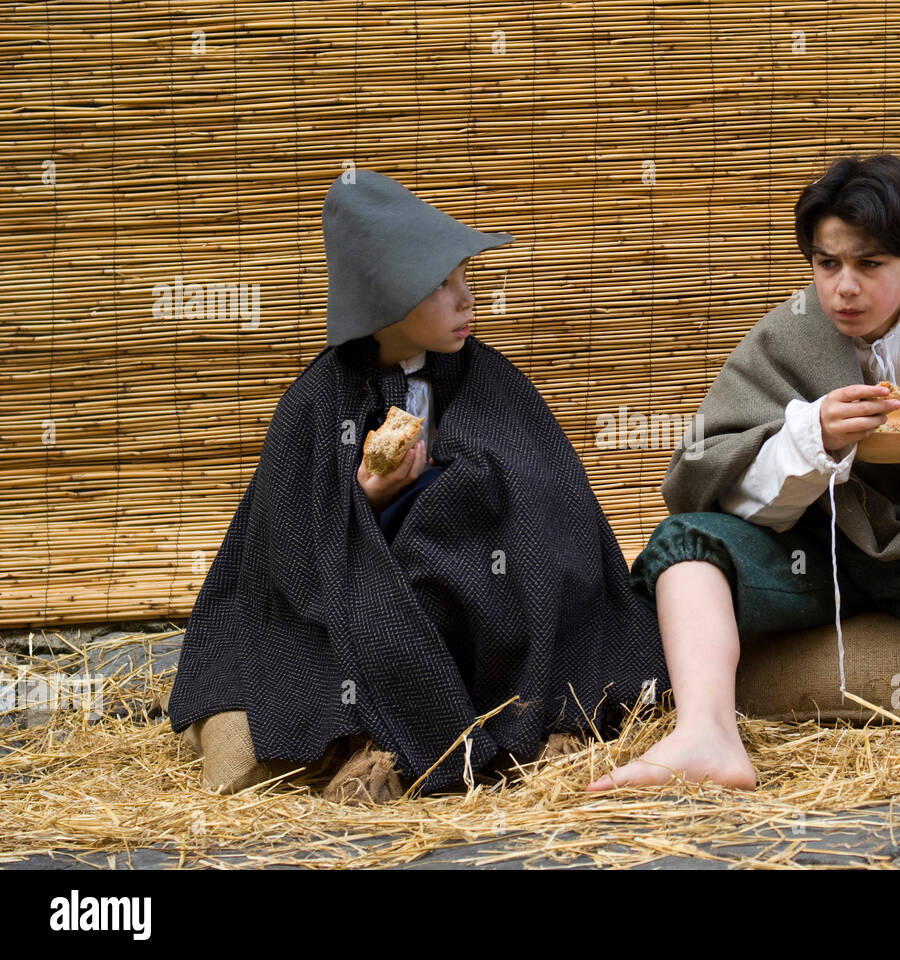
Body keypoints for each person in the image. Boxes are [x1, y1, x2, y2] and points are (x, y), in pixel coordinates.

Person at [587, 154, 900, 794]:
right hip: (813, 556)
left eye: (869, 264)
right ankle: (706, 735)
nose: (844, 288)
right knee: (685, 540)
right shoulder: (784, 340)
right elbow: (715, 478)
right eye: (828, 264)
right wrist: (811, 439)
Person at [168, 169, 668, 801]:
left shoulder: (488, 380)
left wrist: (458, 490)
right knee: (356, 617)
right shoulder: (318, 400)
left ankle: (537, 719)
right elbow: (285, 539)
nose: (467, 300)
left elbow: (546, 491)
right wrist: (366, 499)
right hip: (375, 588)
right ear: (385, 297)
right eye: (441, 285)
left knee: (526, 567)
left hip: (482, 589)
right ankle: (382, 743)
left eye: (466, 279)